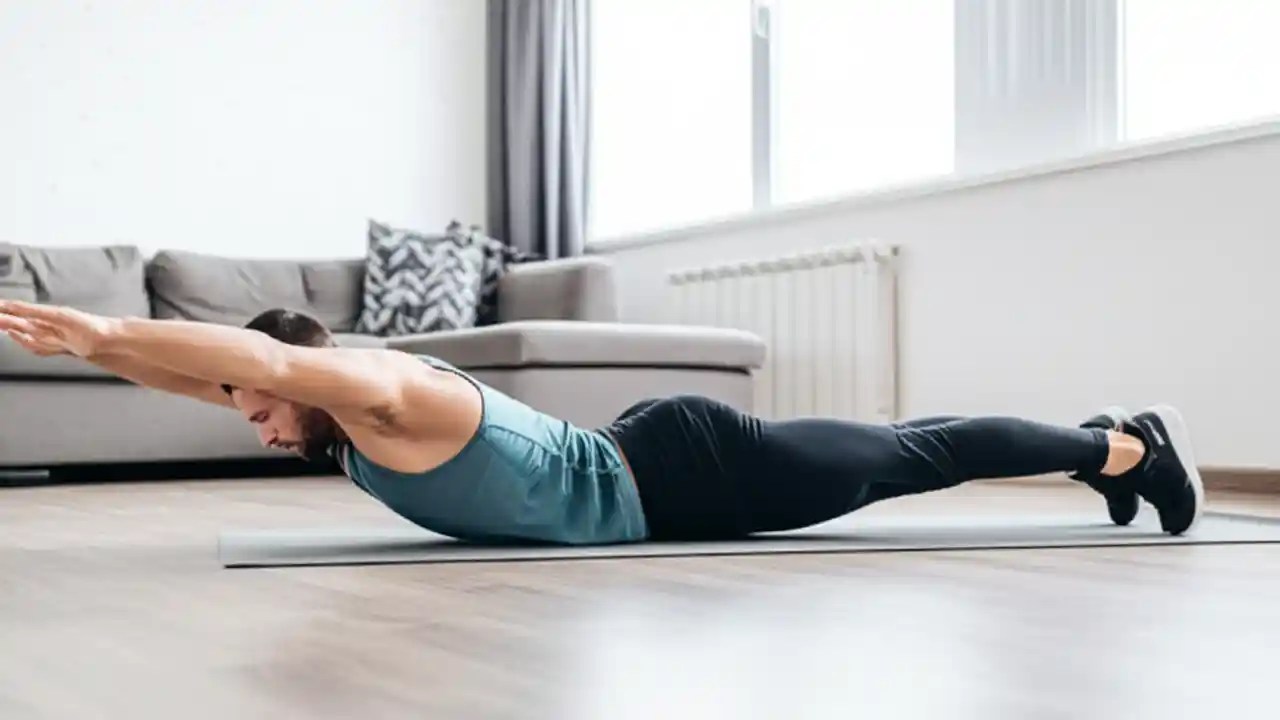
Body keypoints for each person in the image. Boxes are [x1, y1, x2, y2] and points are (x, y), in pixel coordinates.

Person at [0, 301, 1204, 544]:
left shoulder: (383, 393)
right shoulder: (339, 427)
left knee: (912, 456)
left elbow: (264, 360)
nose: (248, 418)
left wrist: (103, 336)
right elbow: (238, 374)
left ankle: (1128, 445)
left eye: (256, 403)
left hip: (690, 476)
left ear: (308, 379)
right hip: (644, 462)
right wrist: (122, 368)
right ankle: (1092, 433)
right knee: (897, 445)